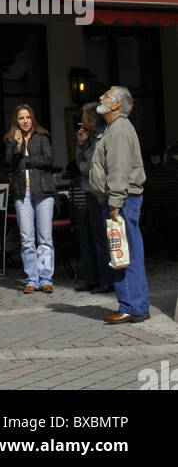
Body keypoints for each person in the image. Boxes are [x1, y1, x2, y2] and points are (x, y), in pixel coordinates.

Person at [89, 86, 149, 324]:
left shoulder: (119, 129)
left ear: (116, 105)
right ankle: (136, 305)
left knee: (123, 253)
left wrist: (114, 202)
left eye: (107, 95)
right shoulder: (113, 128)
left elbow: (119, 169)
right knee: (128, 252)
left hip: (121, 201)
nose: (101, 97)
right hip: (121, 199)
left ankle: (131, 305)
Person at [5, 104, 56, 294]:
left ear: (32, 119)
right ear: (16, 121)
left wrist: (27, 161)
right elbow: (9, 163)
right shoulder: (11, 140)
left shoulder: (42, 136)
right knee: (27, 238)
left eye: (28, 117)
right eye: (21, 118)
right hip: (22, 192)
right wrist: (18, 146)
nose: (25, 121)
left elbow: (48, 160)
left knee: (45, 238)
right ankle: (31, 279)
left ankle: (46, 278)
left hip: (42, 191)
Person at [73, 102, 112, 295]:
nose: (83, 121)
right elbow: (79, 161)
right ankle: (91, 279)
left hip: (98, 192)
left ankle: (105, 280)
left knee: (99, 238)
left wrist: (82, 162)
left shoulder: (100, 137)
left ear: (93, 120)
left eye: (85, 117)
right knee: (86, 237)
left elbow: (88, 167)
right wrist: (80, 144)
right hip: (88, 191)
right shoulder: (90, 138)